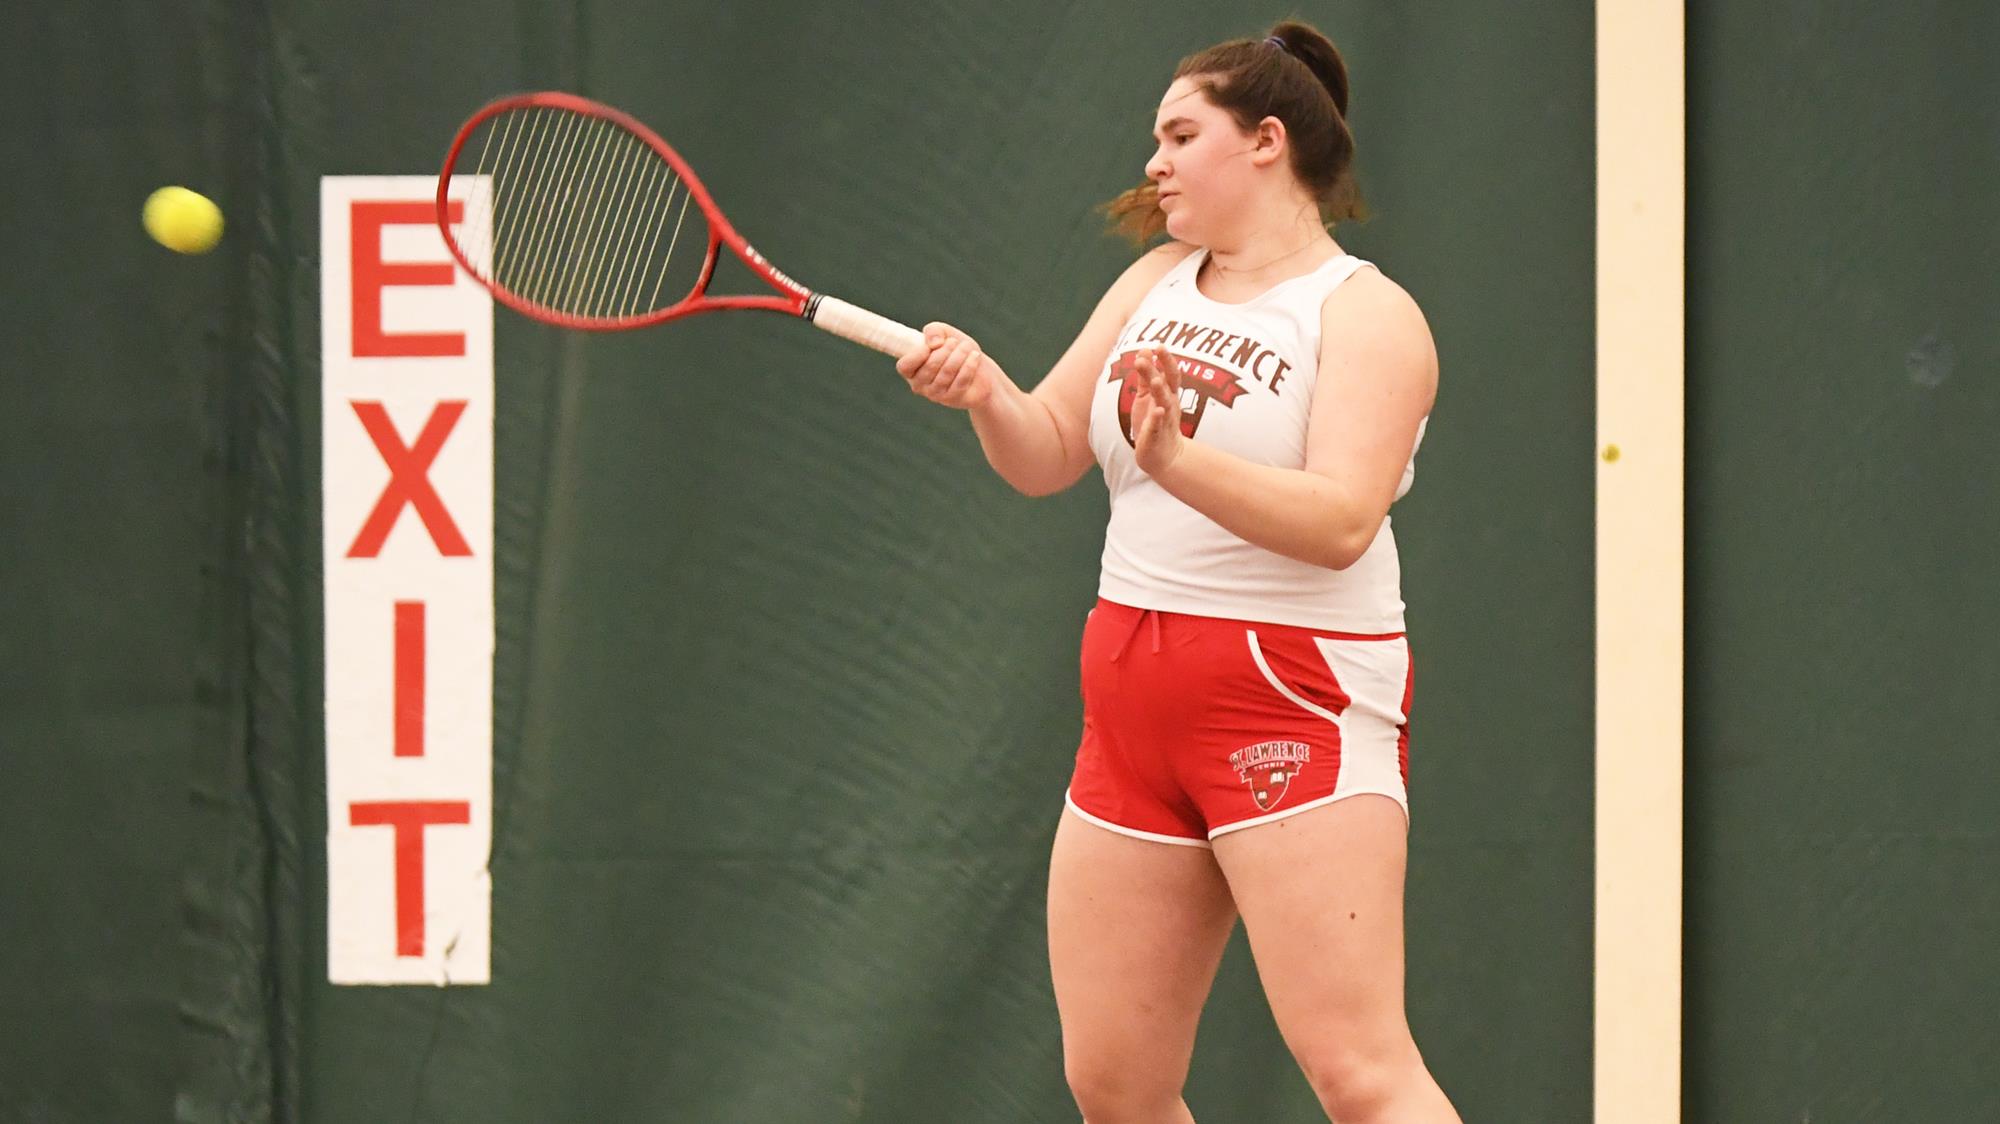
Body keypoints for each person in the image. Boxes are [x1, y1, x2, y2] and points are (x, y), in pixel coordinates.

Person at [894, 20, 1457, 1124]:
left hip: (1288, 695)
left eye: (1180, 135)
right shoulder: (1156, 278)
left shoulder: (1366, 313)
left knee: (1358, 1072)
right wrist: (985, 393)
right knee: (1113, 1083)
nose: (1153, 162)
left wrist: (1177, 463)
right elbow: (1046, 451)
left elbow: (1343, 519)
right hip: (1128, 703)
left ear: (1266, 141)